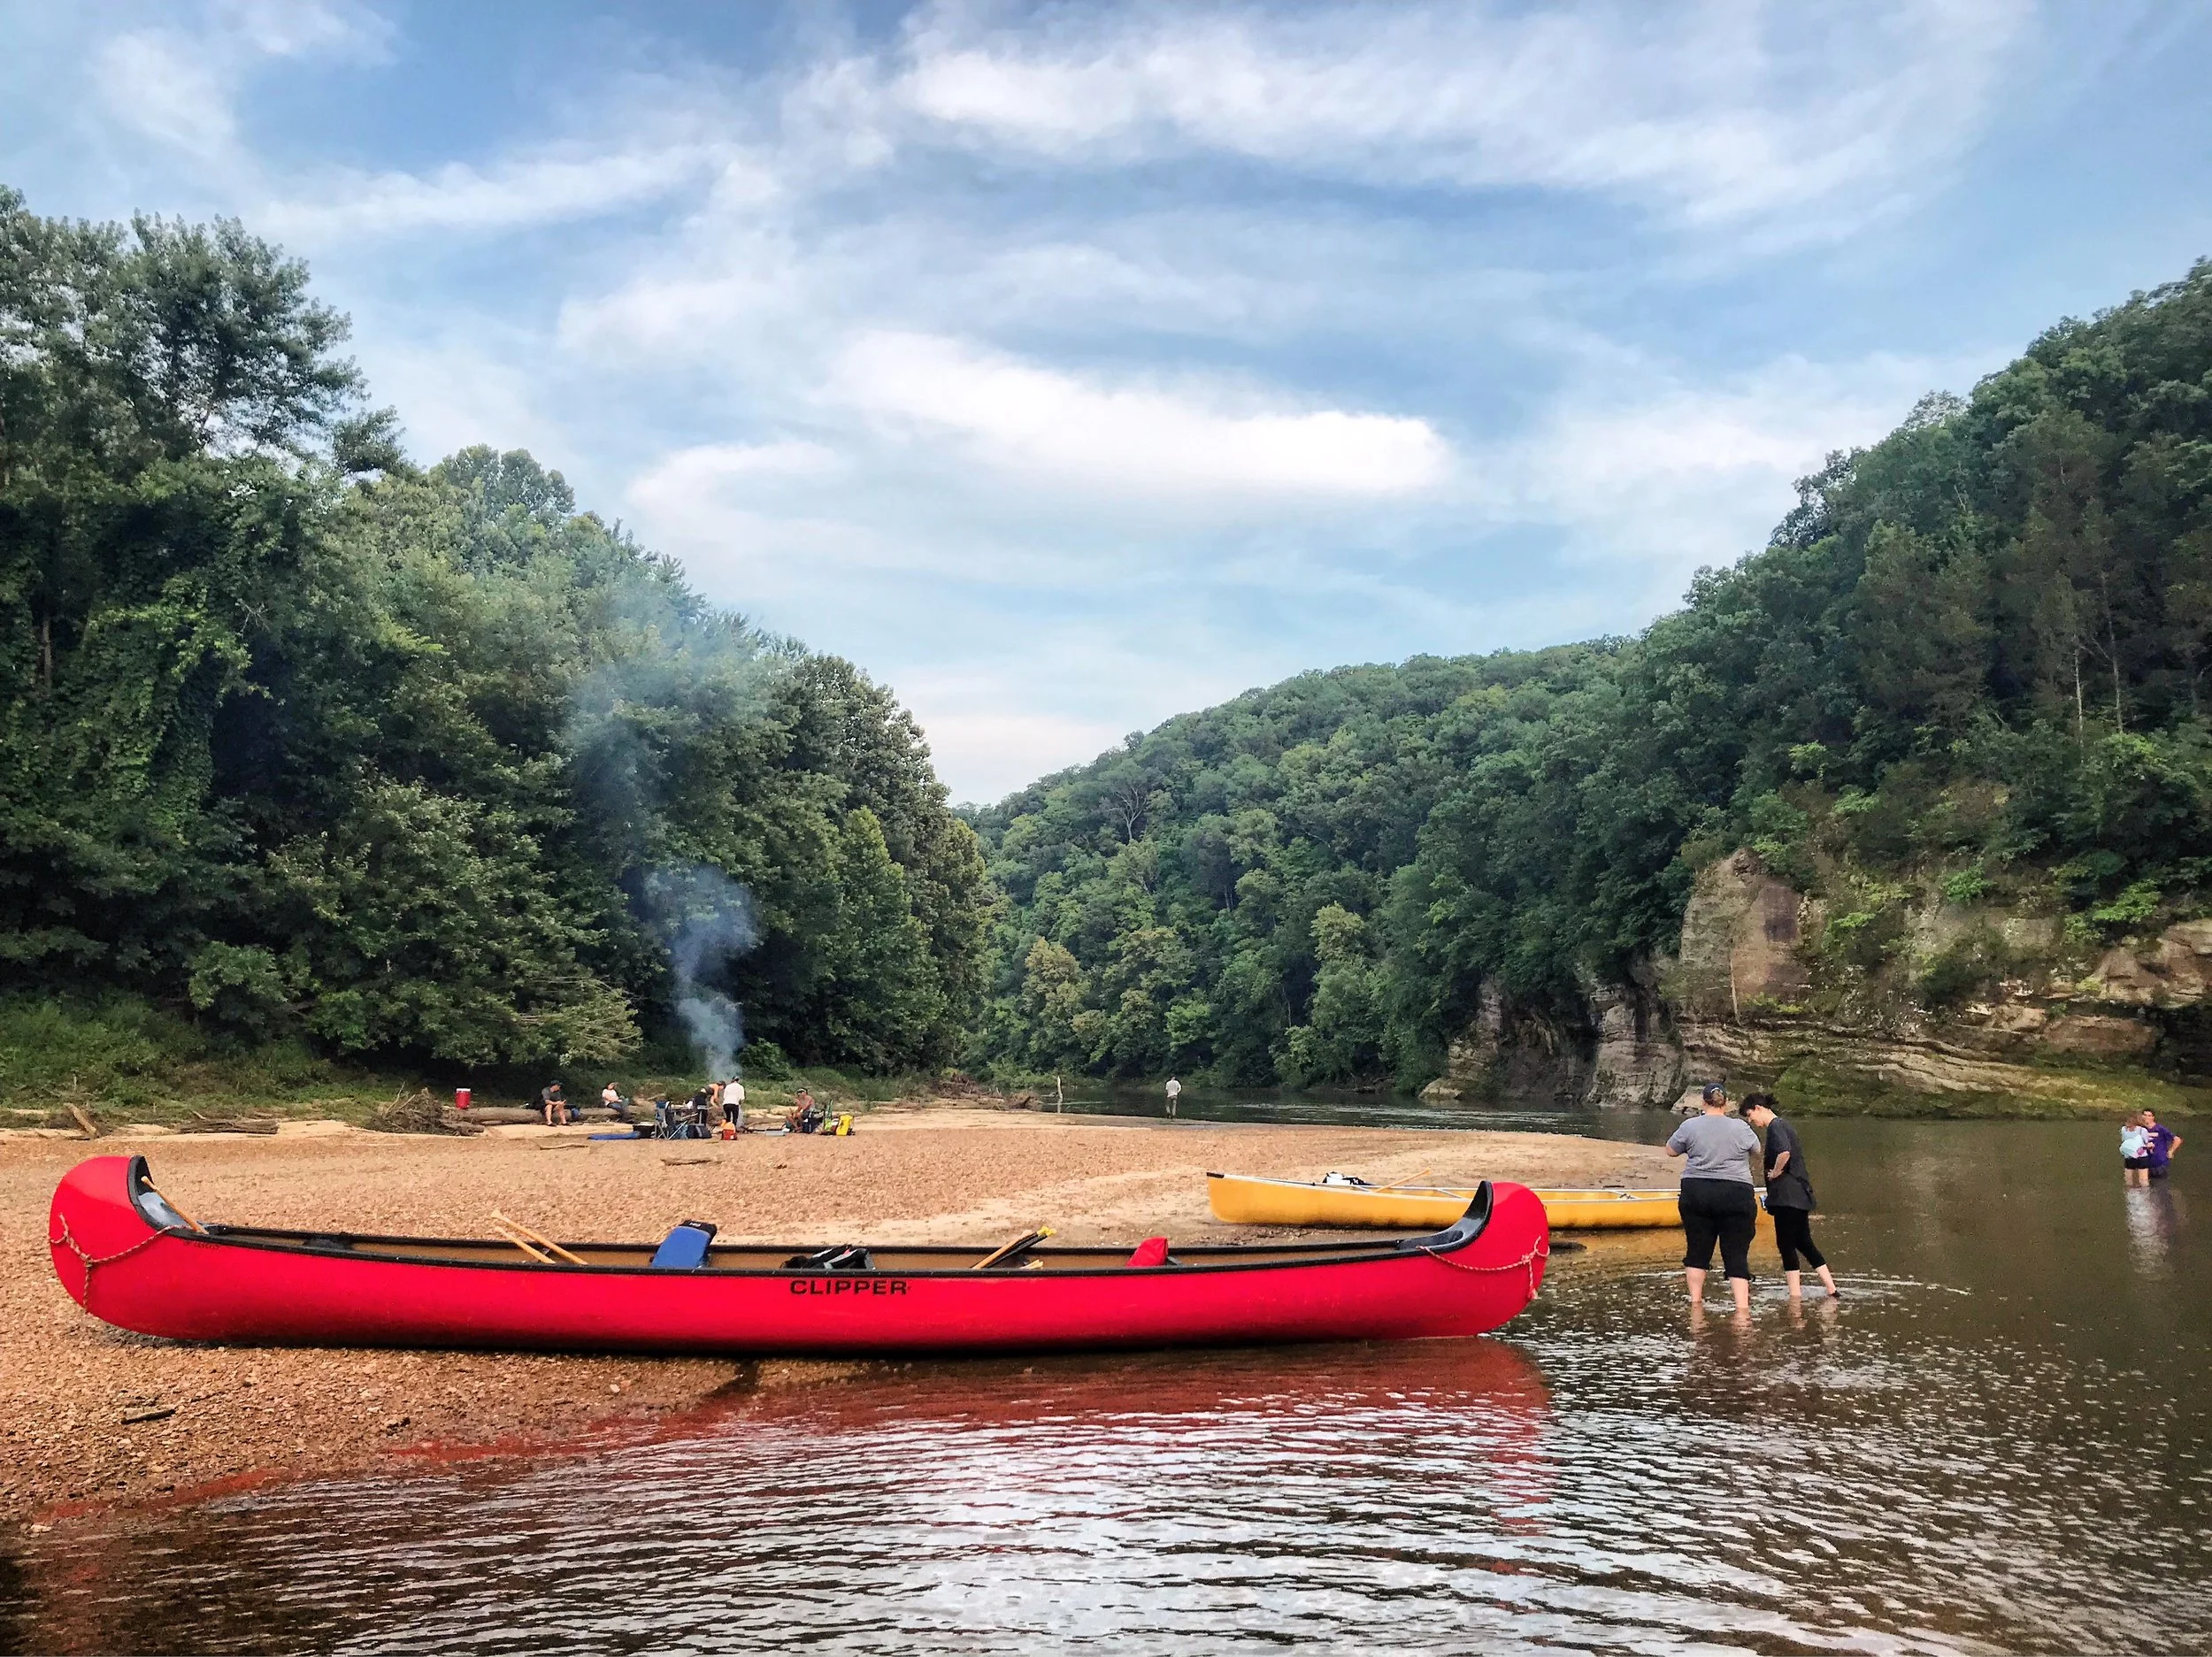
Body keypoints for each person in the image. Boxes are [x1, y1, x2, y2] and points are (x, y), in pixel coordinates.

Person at [1665, 1083, 1761, 1316]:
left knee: (1697, 1250)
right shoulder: (1740, 1127)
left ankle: (1696, 1308)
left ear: (1703, 1103)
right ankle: (1742, 1312)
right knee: (1737, 1253)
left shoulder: (1689, 1125)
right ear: (1726, 1104)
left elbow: (1670, 1150)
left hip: (1697, 1191)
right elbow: (1756, 1150)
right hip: (1736, 1193)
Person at [1742, 1093, 1837, 1300]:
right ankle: (1832, 1289)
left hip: (1787, 1197)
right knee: (1804, 1242)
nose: (1752, 1121)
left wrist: (1775, 1172)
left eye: (1750, 1116)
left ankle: (1795, 1295)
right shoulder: (1786, 1125)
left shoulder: (1776, 1126)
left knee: (1785, 1244)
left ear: (1759, 1108)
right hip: (1800, 1195)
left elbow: (1784, 1153)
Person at [2142, 1109, 2184, 1182]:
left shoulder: (2160, 1129)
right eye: (2145, 1115)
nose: (2146, 1117)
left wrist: (2171, 1151)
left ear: (2153, 1117)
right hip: (2146, 1163)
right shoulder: (2141, 1129)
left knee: (2161, 1186)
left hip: (2160, 1162)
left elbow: (2177, 1140)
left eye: (2149, 1116)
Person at [2121, 1110, 2154, 1188]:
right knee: (2143, 1180)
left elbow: (2124, 1140)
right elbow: (2146, 1143)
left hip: (2129, 1156)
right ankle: (2144, 1196)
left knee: (2128, 1180)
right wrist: (2151, 1145)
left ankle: (2130, 1195)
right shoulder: (2142, 1130)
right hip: (2141, 1156)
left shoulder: (2123, 1129)